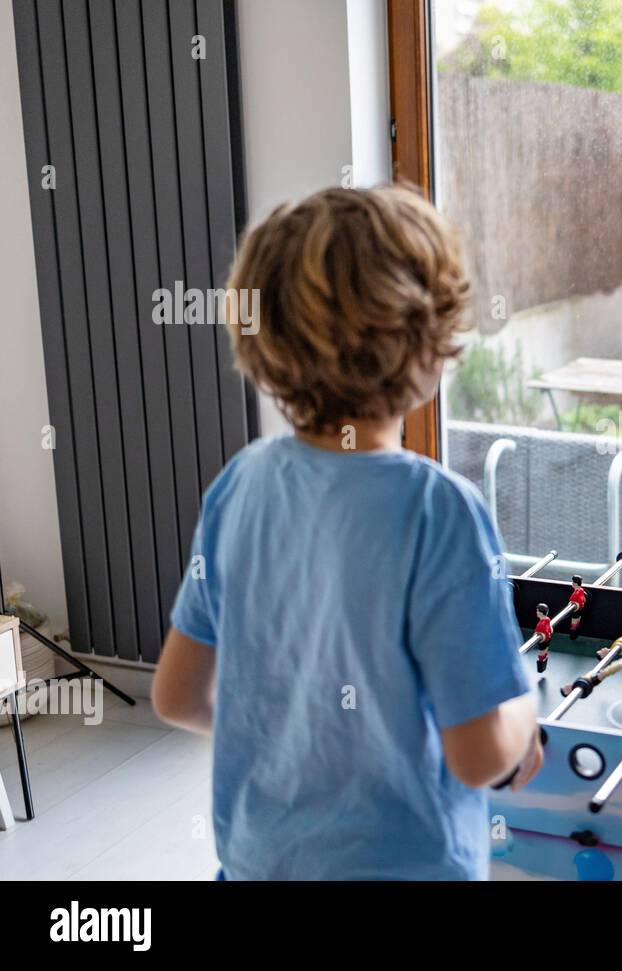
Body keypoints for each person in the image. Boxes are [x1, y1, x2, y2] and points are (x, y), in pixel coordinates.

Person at [152, 185, 542, 880]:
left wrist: (292, 734)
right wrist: (523, 719)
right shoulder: (440, 510)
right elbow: (480, 754)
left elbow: (176, 694)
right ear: (427, 342)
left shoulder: (238, 485)